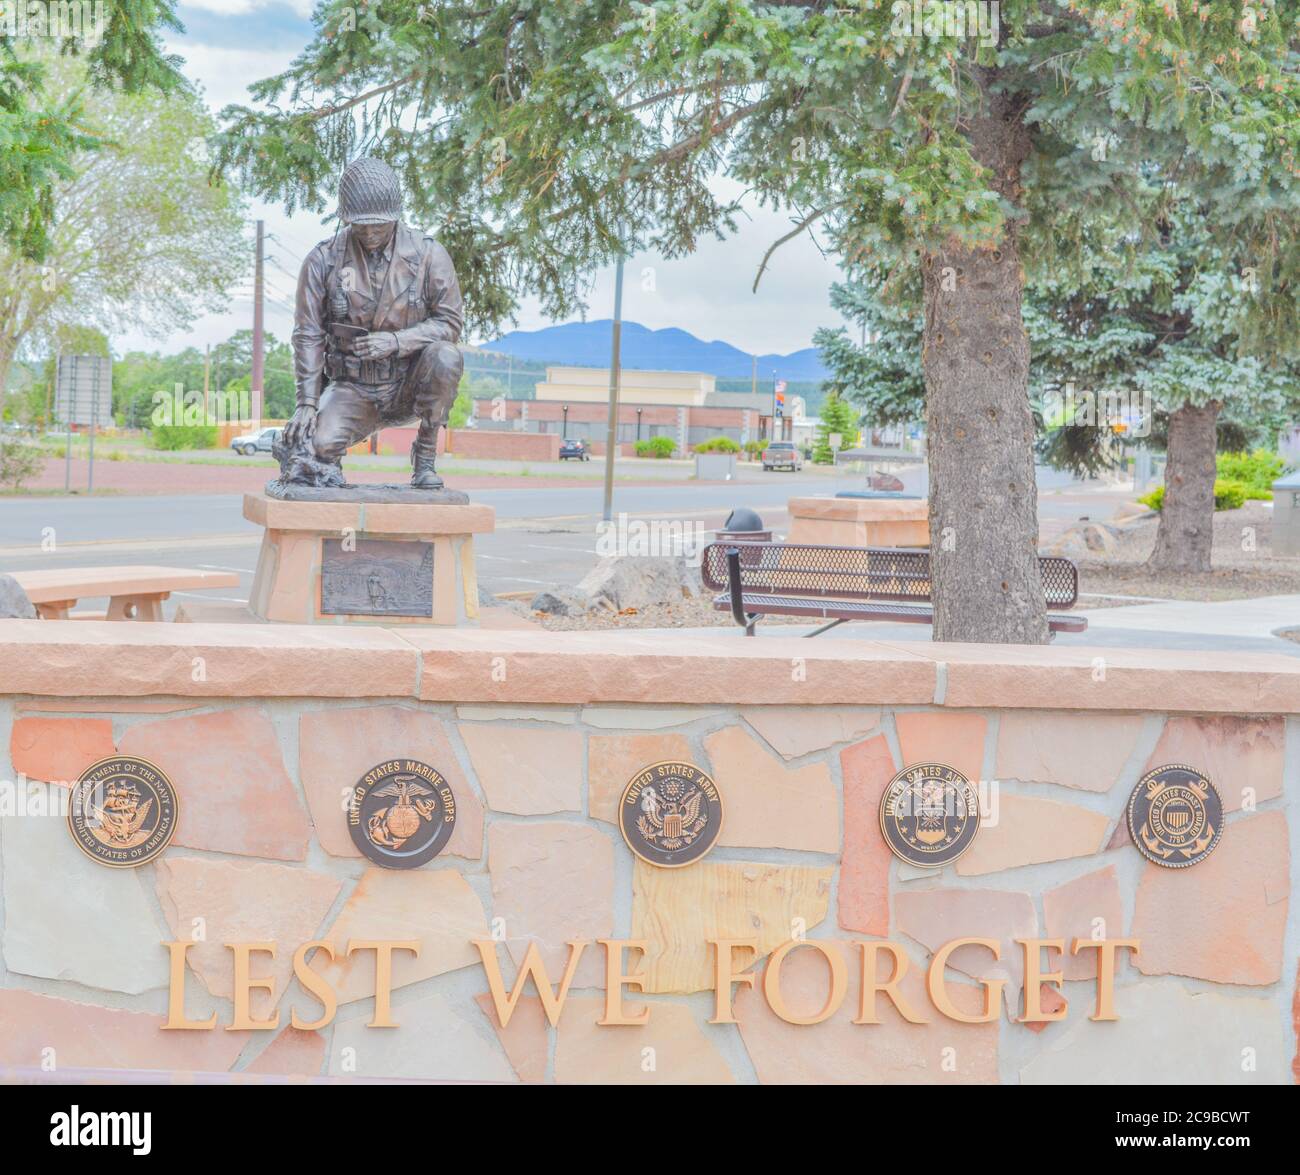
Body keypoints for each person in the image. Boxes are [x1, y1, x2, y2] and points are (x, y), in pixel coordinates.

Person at [280, 157, 464, 488]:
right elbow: (308, 335)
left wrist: (396, 342)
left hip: (408, 385)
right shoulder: (323, 260)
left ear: (395, 216)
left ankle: (424, 454)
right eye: (360, 225)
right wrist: (306, 404)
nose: (369, 233)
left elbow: (449, 323)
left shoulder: (428, 255)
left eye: (378, 225)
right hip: (353, 389)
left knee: (446, 356)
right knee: (309, 447)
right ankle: (327, 464)